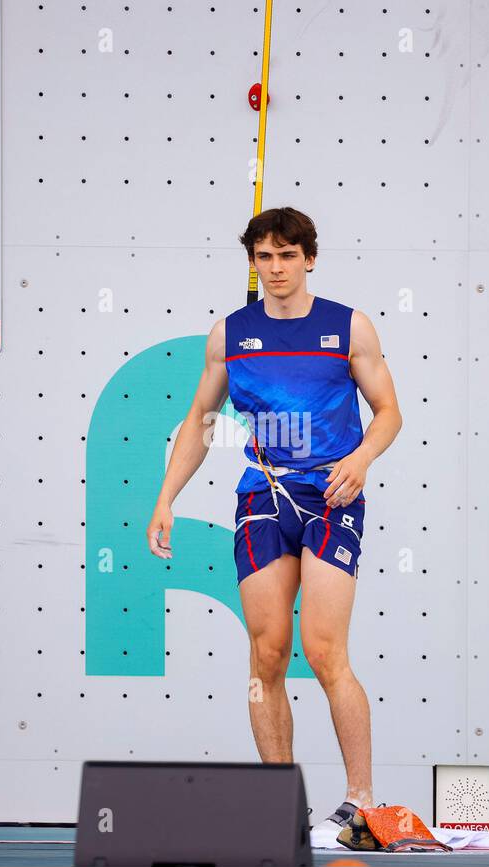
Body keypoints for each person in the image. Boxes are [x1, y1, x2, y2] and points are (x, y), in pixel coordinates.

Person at [146, 207, 402, 834]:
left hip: (331, 498)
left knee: (322, 651)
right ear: (253, 263)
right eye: (264, 257)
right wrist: (165, 498)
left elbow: (390, 411)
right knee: (267, 654)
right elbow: (199, 425)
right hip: (262, 497)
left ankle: (362, 799)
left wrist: (362, 459)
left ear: (309, 258)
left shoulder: (350, 327)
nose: (276, 267)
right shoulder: (230, 335)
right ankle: (277, 804)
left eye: (288, 255)